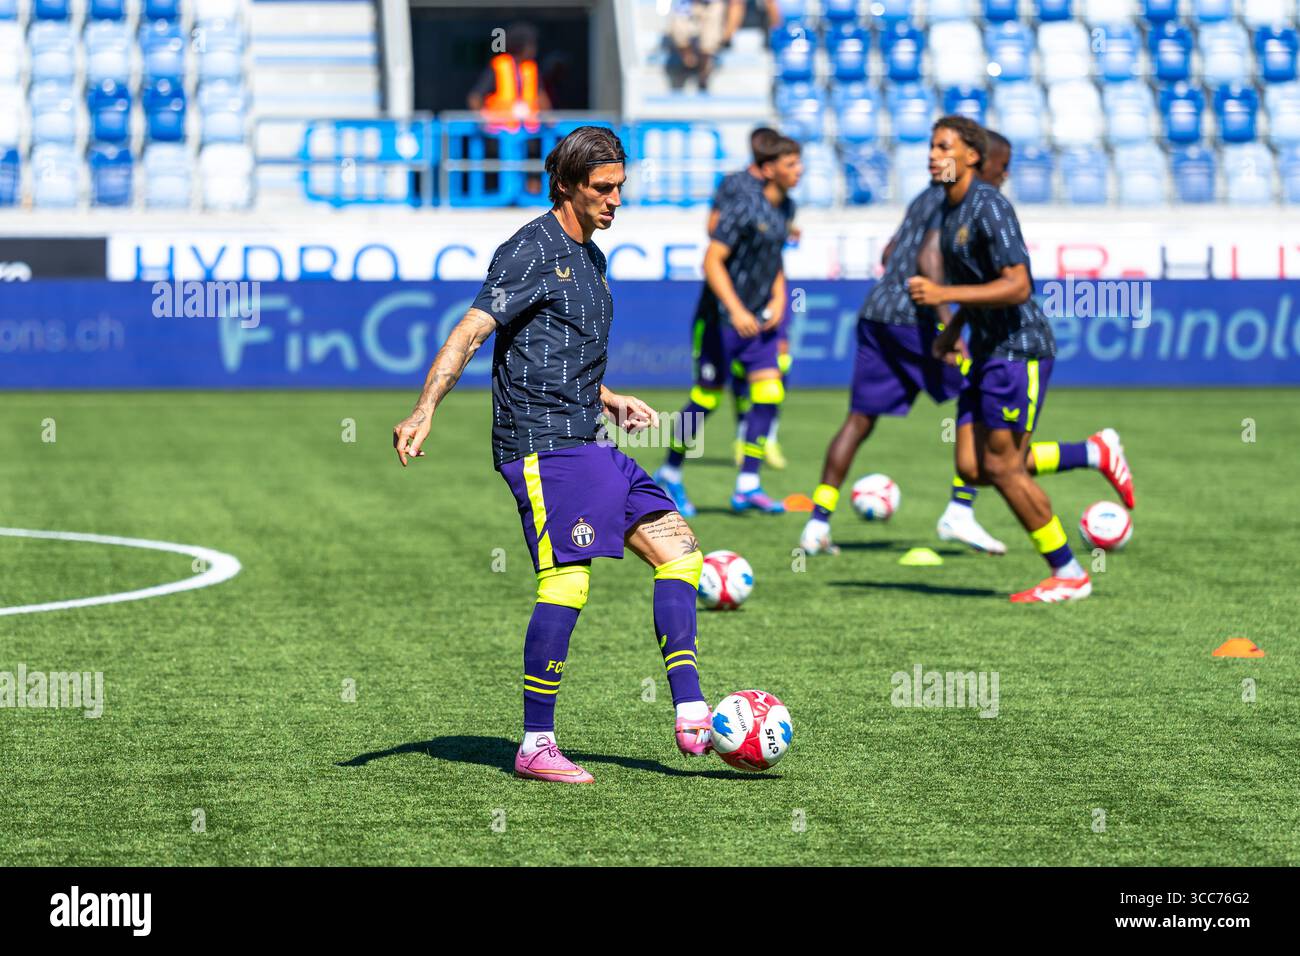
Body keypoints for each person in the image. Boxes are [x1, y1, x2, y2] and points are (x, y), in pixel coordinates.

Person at [392, 127, 714, 784]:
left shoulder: (590, 258)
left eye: (621, 186)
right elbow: (473, 331)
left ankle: (692, 712)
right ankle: (537, 742)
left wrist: (608, 396)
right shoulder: (530, 250)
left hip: (587, 435)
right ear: (566, 184)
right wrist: (427, 406)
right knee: (567, 580)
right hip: (542, 443)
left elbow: (550, 348)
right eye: (603, 188)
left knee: (680, 552)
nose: (615, 200)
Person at [910, 117, 1132, 603]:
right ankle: (1092, 452)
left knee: (1003, 466)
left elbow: (1018, 285)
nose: (932, 154)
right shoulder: (950, 211)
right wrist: (951, 332)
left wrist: (943, 293)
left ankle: (1069, 571)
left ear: (972, 156)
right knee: (973, 467)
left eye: (943, 146)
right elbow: (979, 284)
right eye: (930, 146)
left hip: (1018, 350)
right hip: (988, 350)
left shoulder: (989, 206)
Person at [654, 135, 803, 516]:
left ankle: (748, 485)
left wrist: (779, 299)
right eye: (790, 165)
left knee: (769, 392)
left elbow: (773, 261)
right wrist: (735, 309)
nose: (798, 171)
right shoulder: (744, 207)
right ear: (769, 170)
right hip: (720, 318)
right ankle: (670, 473)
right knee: (707, 398)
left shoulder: (787, 206)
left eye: (799, 163)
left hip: (758, 318)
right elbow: (712, 260)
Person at [668, 0, 745, 91]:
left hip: (712, 4)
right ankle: (690, 61)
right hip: (686, 3)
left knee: (709, 42)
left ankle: (703, 72)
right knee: (678, 31)